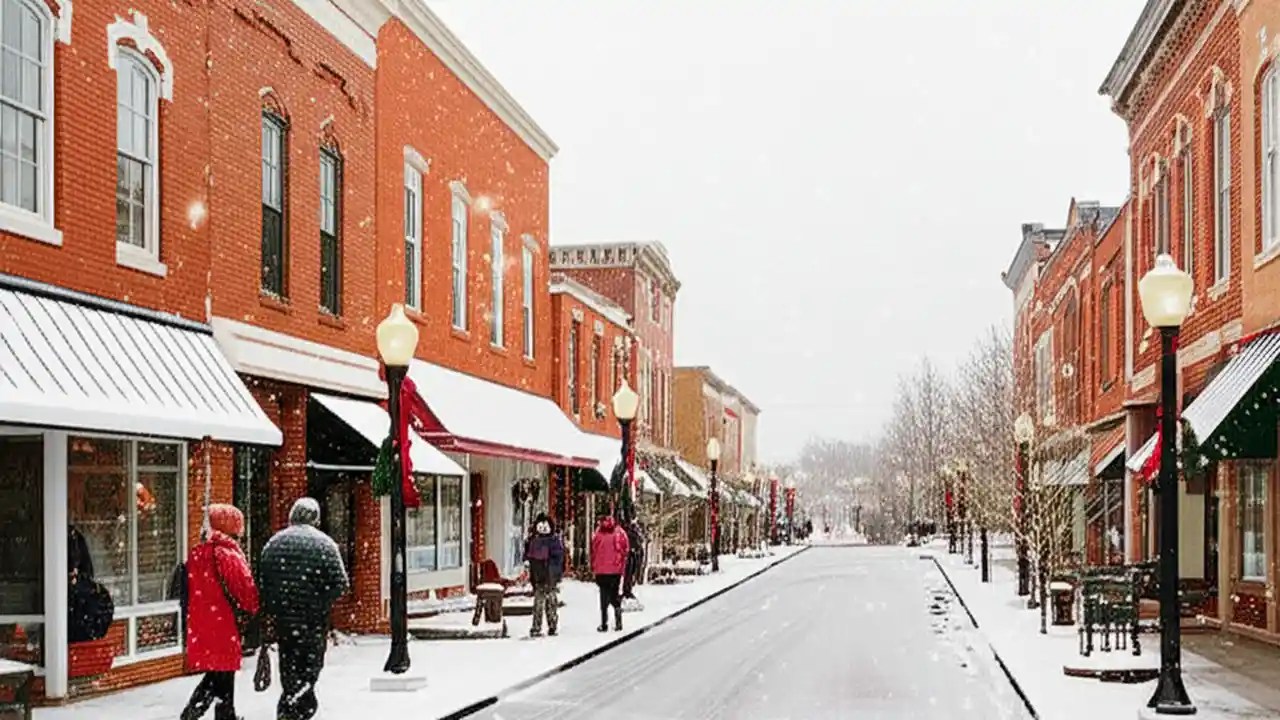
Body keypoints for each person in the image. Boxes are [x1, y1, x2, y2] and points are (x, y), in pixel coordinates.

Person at [258, 498, 349, 720]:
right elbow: (341, 584)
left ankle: (292, 697)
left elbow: (263, 583)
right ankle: (298, 704)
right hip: (312, 621)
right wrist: (319, 600)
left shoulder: (274, 544)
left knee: (288, 662)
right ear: (315, 518)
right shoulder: (325, 545)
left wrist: (278, 604)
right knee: (310, 664)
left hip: (285, 620)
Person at [182, 504, 260, 720]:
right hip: (224, 624)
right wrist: (254, 609)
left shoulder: (198, 553)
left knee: (218, 674)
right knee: (221, 674)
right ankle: (208, 715)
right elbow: (246, 591)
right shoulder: (227, 554)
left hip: (202, 622)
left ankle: (221, 714)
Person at [523, 512, 565, 637]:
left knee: (550, 602)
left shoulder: (553, 541)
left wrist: (555, 572)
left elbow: (559, 558)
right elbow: (528, 556)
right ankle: (537, 626)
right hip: (538, 576)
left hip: (549, 575)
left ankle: (551, 624)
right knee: (539, 603)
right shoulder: (533, 541)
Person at [590, 514, 630, 632]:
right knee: (614, 595)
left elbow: (593, 551)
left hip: (601, 571)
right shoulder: (620, 533)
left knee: (603, 597)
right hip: (615, 571)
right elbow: (625, 550)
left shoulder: (598, 534)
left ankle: (604, 623)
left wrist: (594, 567)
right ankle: (618, 621)